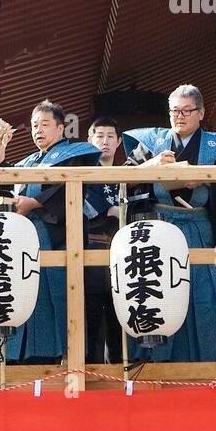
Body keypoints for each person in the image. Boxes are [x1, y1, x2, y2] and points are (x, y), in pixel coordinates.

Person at [122, 86, 216, 361]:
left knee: (203, 293)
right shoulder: (152, 142)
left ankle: (207, 364)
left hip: (198, 227)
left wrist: (205, 177)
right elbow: (124, 178)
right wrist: (151, 166)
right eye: (174, 111)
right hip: (159, 227)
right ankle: (155, 362)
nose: (179, 116)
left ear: (201, 113)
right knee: (158, 291)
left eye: (186, 111)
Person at [0, 101, 105, 363]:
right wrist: (0, 145)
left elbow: (68, 188)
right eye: (34, 126)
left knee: (60, 295)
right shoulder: (30, 160)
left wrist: (35, 202)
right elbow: (1, 178)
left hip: (58, 236)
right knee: (28, 294)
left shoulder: (74, 152)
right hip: (25, 238)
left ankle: (67, 355)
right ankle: (29, 356)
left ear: (61, 128)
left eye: (44, 124)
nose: (38, 130)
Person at [85, 116, 124, 364]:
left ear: (119, 141)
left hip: (122, 253)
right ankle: (91, 373)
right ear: (89, 139)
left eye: (111, 136)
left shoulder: (127, 173)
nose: (105, 141)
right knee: (91, 319)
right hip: (90, 250)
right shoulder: (83, 173)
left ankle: (122, 372)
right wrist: (109, 211)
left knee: (119, 316)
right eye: (99, 135)